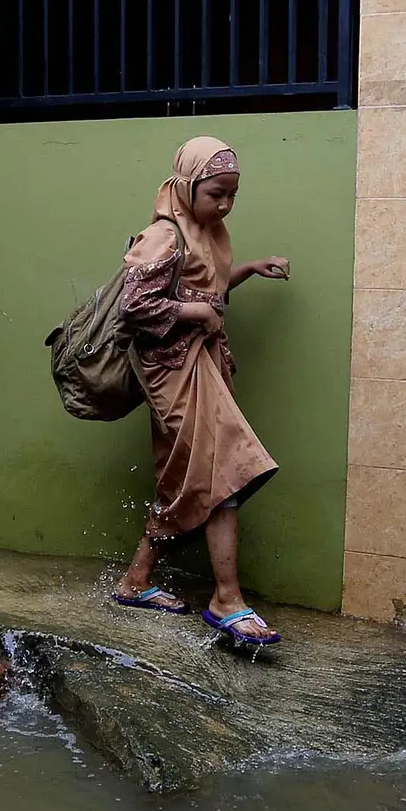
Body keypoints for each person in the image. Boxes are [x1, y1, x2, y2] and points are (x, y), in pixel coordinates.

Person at [108, 136, 290, 646]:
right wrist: (201, 314)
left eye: (233, 194)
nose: (225, 205)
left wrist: (247, 269)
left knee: (187, 480)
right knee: (220, 477)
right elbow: (135, 304)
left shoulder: (205, 232)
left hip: (203, 366)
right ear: (188, 185)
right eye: (216, 194)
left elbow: (201, 285)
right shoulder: (164, 235)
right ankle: (226, 601)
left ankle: (135, 582)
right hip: (173, 372)